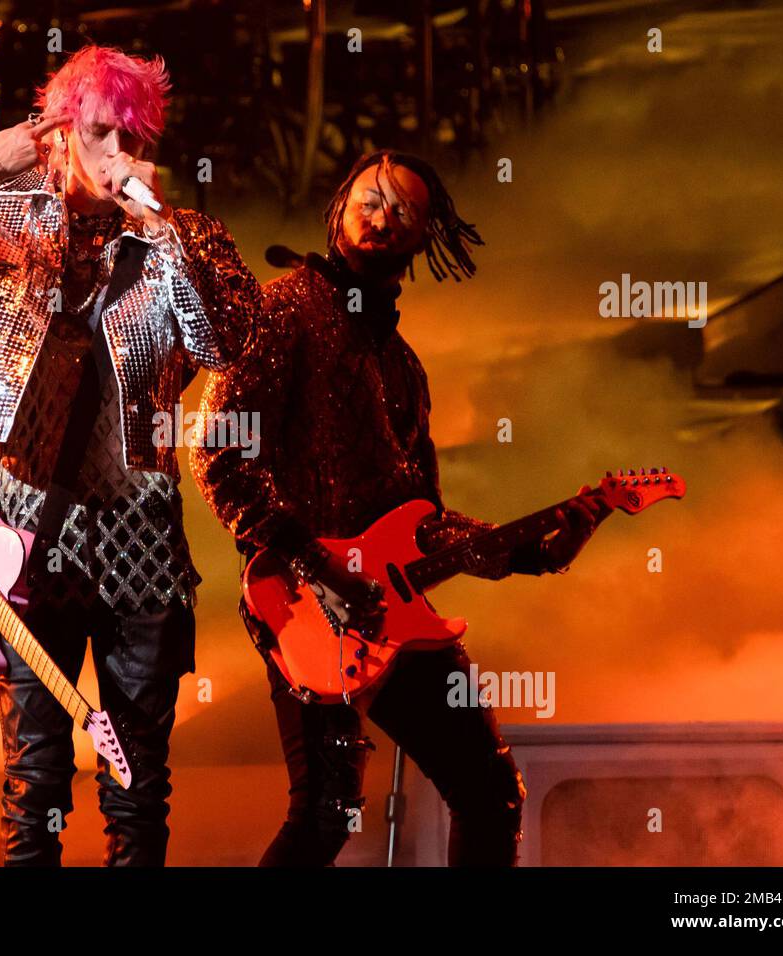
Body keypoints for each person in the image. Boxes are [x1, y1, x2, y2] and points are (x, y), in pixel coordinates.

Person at [0, 44, 259, 866]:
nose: (119, 154)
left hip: (141, 551)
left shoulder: (183, 240)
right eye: (100, 133)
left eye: (135, 136)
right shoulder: (1, 227)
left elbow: (226, 341)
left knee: (137, 793)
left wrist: (163, 232)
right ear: (58, 134)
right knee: (36, 785)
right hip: (21, 545)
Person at [190, 150, 610, 866]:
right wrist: (317, 567)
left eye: (404, 211)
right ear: (339, 211)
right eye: (371, 201)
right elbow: (219, 456)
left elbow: (425, 520)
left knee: (489, 790)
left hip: (394, 612)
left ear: (426, 236)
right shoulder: (282, 311)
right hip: (304, 606)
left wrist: (539, 549)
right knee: (327, 815)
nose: (383, 217)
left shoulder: (404, 366)